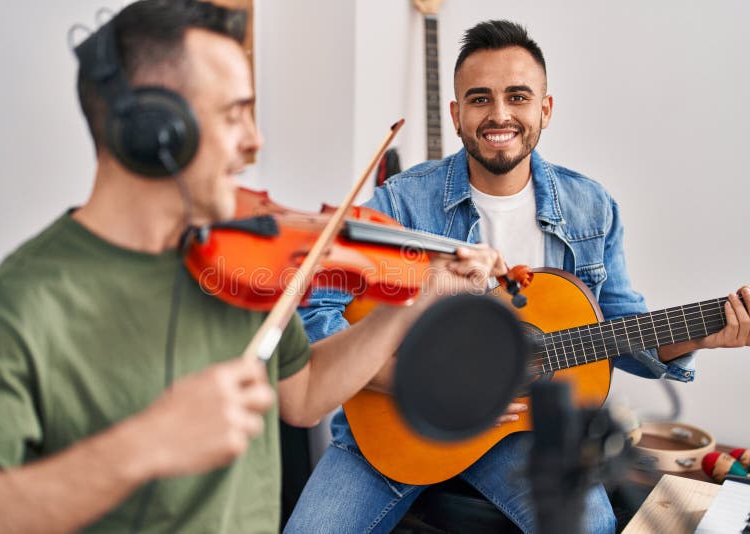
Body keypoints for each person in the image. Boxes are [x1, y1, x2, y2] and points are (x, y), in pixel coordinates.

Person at [0, 2, 508, 532]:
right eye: (234, 114)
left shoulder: (238, 262)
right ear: (155, 132)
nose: (255, 141)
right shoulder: (26, 302)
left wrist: (411, 303)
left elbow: (306, 391)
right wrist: (144, 446)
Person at [285, 20, 750, 534]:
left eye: (518, 96)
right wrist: (424, 385)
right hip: (394, 426)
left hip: (521, 436)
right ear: (457, 114)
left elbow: (622, 329)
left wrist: (703, 334)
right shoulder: (398, 203)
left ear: (544, 110)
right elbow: (317, 318)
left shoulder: (592, 207)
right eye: (480, 99)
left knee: (588, 528)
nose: (499, 114)